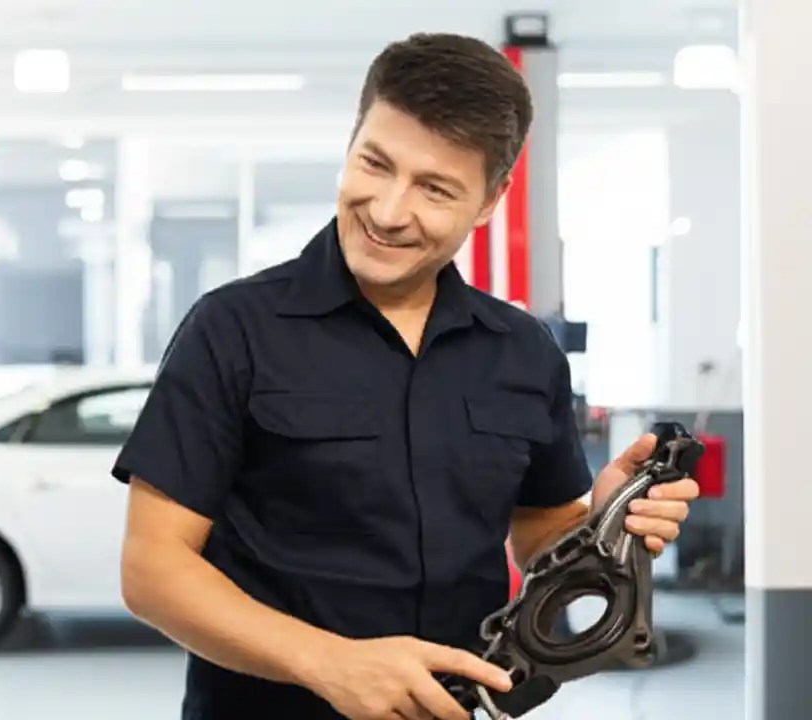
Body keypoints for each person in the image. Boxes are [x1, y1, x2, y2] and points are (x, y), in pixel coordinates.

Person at [113, 33, 700, 720]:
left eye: (435, 189)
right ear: (351, 142)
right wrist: (331, 663)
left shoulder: (523, 351)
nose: (388, 212)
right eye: (375, 164)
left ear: (489, 201)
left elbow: (539, 536)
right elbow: (152, 570)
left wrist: (604, 521)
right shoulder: (232, 330)